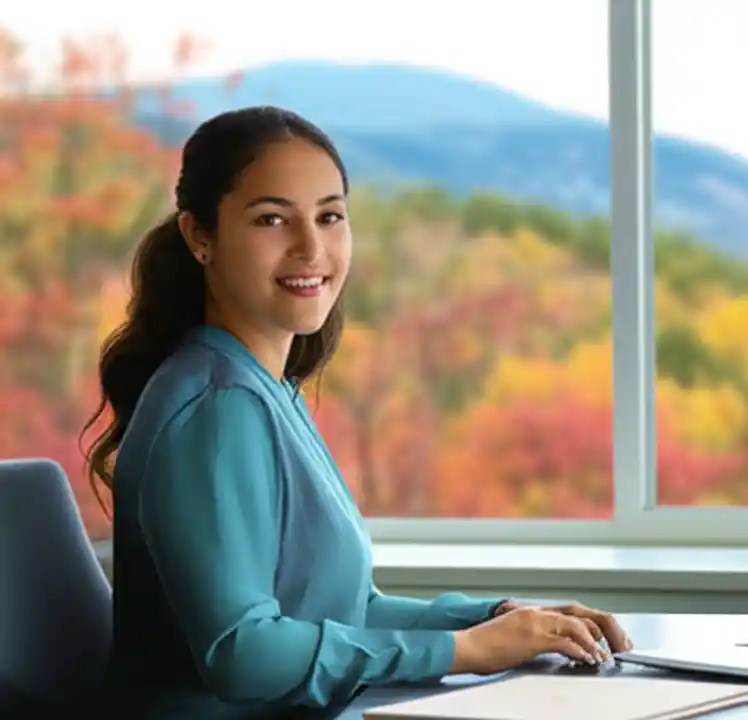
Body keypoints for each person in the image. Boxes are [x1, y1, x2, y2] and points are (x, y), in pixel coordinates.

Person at [82, 106, 631, 718]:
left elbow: (346, 611)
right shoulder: (219, 405)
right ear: (199, 236)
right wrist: (464, 651)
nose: (310, 247)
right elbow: (243, 653)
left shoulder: (267, 388)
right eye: (271, 219)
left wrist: (500, 620)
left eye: (330, 216)